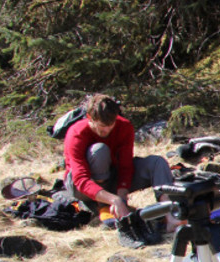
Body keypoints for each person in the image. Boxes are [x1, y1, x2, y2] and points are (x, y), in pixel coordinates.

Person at [63, 93, 174, 222]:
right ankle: (103, 206)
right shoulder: (76, 133)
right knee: (100, 150)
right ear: (89, 118)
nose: (107, 130)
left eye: (111, 125)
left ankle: (169, 212)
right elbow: (80, 179)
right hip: (81, 185)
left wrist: (122, 198)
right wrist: (114, 200)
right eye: (102, 127)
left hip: (111, 176)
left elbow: (125, 166)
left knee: (157, 162)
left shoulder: (124, 127)